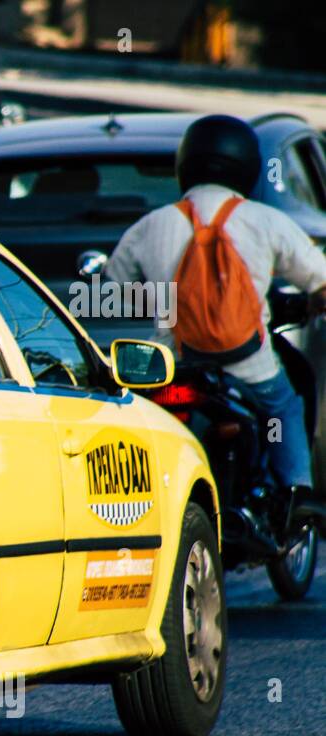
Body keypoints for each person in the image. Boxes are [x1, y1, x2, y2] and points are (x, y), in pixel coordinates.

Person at [106, 114, 326, 504]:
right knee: (285, 408)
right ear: (248, 166)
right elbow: (319, 279)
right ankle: (296, 493)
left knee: (142, 418)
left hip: (176, 363)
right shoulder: (266, 221)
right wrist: (311, 305)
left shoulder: (151, 225)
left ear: (185, 164)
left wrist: (164, 302)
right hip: (250, 365)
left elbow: (115, 291)